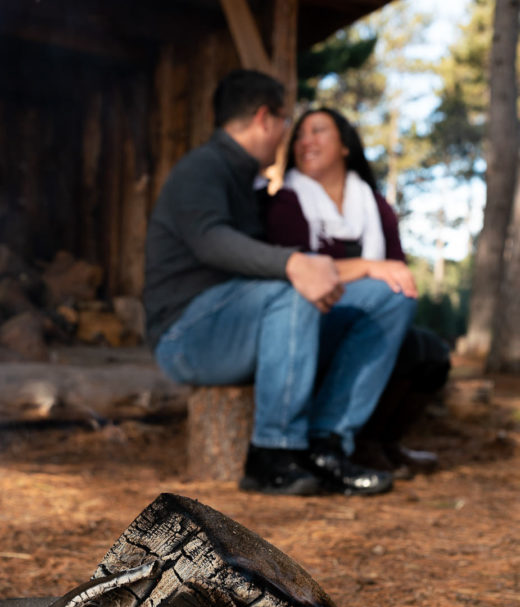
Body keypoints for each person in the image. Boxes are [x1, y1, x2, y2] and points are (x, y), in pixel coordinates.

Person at [143, 69, 418, 496]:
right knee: (293, 291)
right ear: (264, 118)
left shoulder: (251, 181)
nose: (288, 138)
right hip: (186, 335)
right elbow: (211, 240)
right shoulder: (202, 167)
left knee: (389, 297)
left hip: (253, 321)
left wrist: (352, 270)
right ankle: (273, 453)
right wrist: (293, 263)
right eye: (287, 123)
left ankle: (327, 444)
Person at [264, 106, 450, 474]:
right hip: (307, 318)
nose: (305, 141)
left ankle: (377, 441)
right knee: (384, 324)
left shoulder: (375, 205)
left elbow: (397, 272)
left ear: (345, 145)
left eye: (318, 131)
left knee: (427, 352)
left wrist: (374, 277)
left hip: (368, 314)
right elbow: (293, 269)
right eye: (299, 135)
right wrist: (366, 268)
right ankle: (329, 439)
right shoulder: (285, 203)